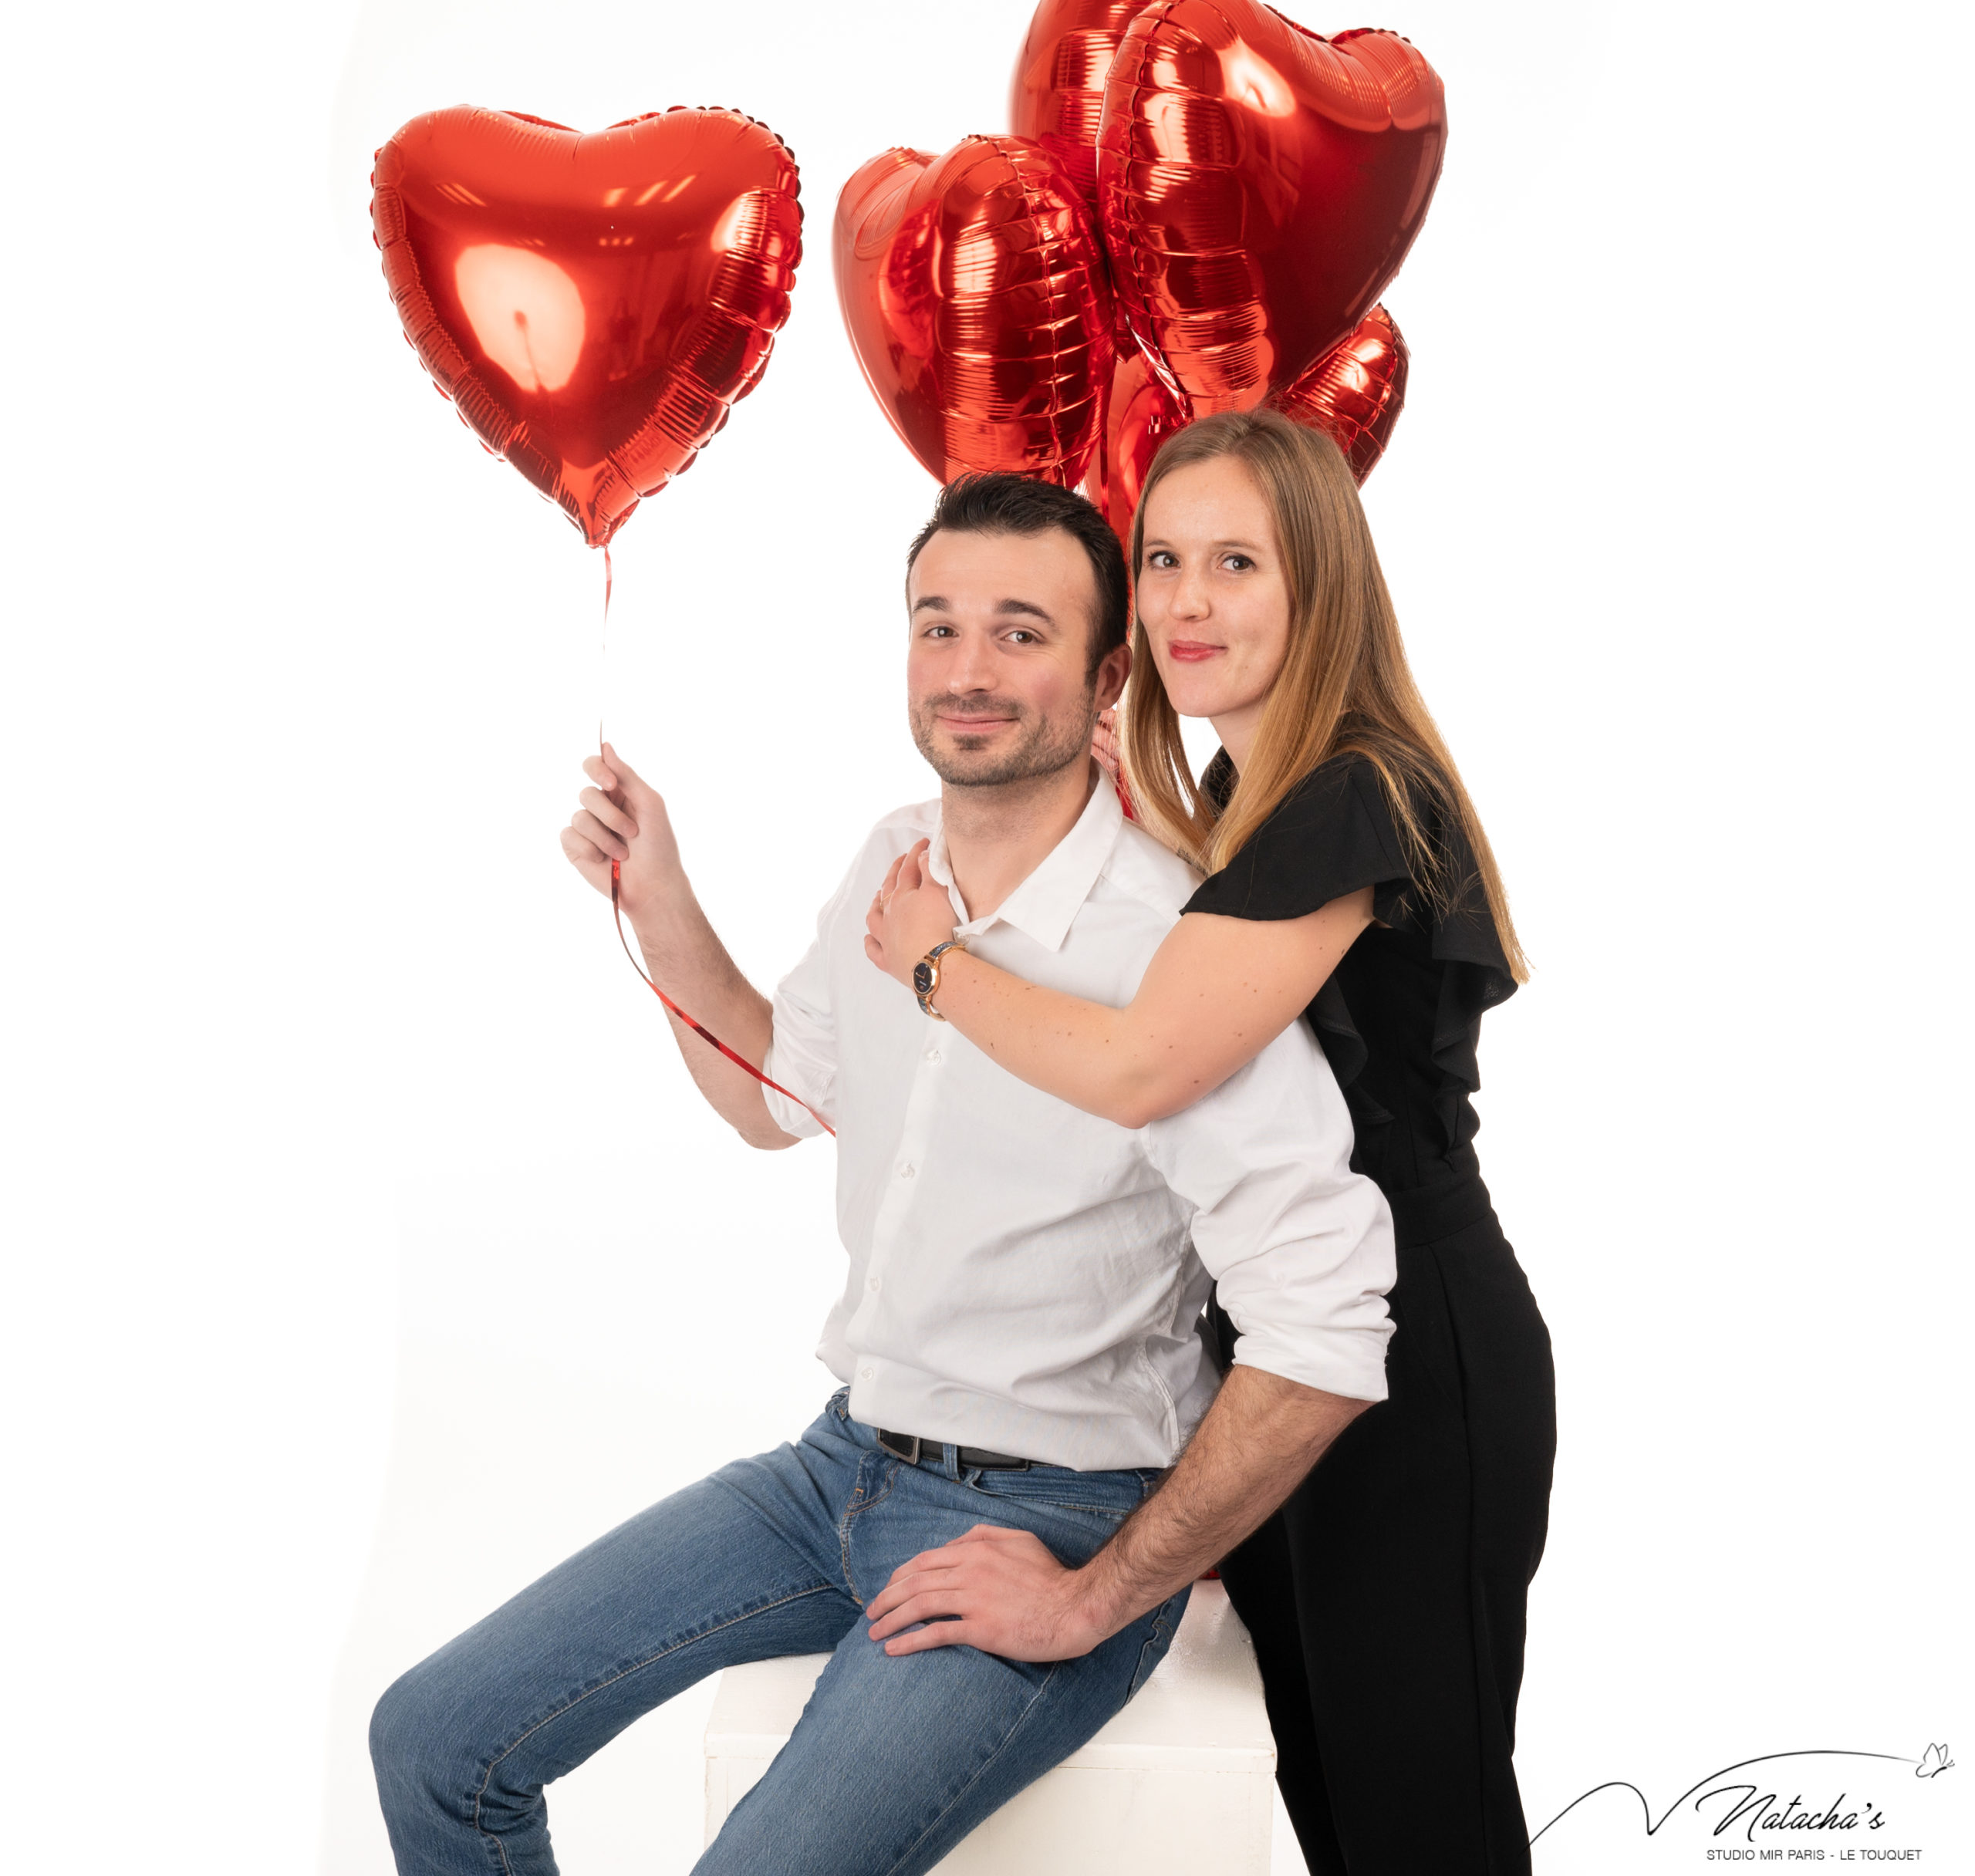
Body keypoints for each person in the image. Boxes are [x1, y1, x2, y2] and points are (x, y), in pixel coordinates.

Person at [367, 472, 1396, 1876]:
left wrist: (1096, 1598)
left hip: (1055, 1508)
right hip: (838, 1465)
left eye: (1020, 633)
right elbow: (769, 1096)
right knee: (436, 1742)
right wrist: (655, 895)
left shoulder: (1171, 942)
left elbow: (1330, 1324)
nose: (967, 674)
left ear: (1109, 677)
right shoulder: (892, 864)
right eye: (937, 626)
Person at [863, 412, 1557, 1876]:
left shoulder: (1350, 793)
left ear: (1321, 582)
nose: (1184, 600)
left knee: (1418, 1825)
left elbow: (1140, 1066)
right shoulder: (1256, 798)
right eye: (1162, 559)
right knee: (1334, 1806)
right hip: (1282, 1352)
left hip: (1404, 1357)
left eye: (1234, 562)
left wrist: (940, 965)